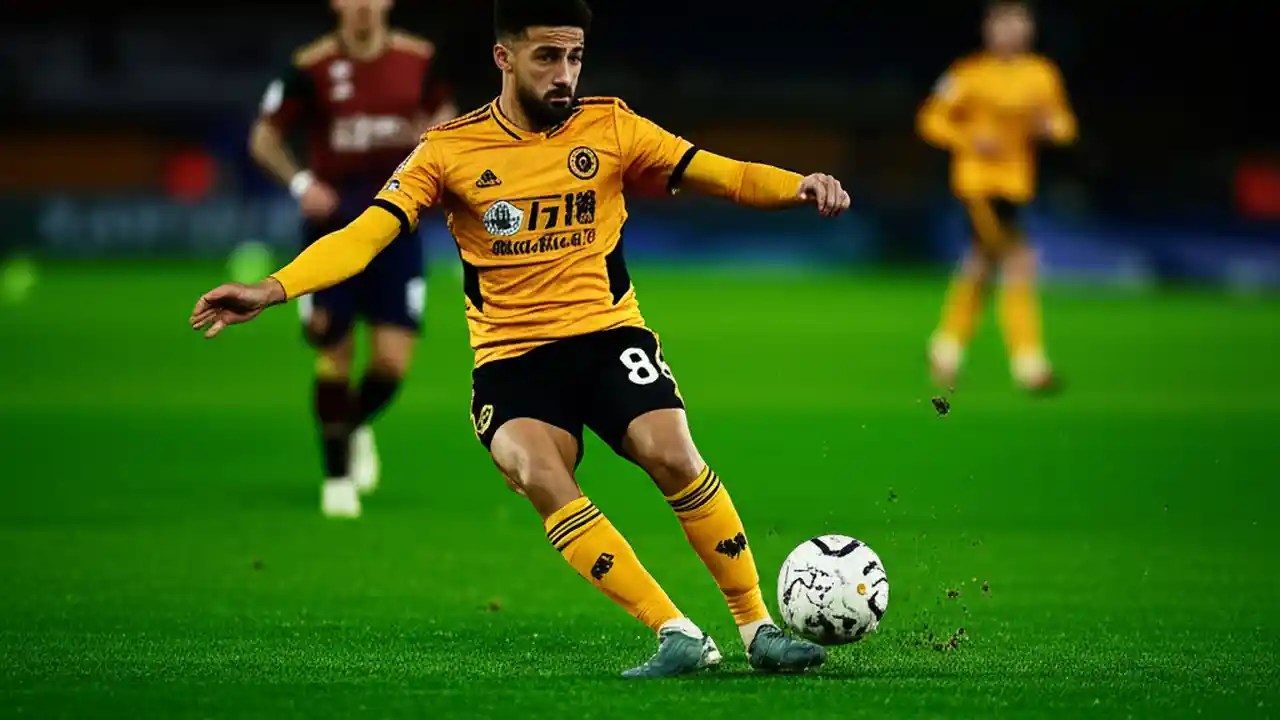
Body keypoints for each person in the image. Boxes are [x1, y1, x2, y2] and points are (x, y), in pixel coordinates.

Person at [193, 0, 850, 678]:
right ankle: (675, 632)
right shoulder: (449, 150)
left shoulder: (612, 125)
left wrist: (798, 185)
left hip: (607, 335)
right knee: (541, 473)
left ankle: (756, 628)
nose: (565, 74)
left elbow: (727, 174)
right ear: (503, 57)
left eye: (574, 57)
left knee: (672, 451)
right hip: (513, 362)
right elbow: (365, 236)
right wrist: (272, 288)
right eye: (547, 57)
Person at [250, 0, 457, 517]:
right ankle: (337, 478)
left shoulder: (419, 59)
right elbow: (264, 136)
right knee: (332, 344)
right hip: (332, 224)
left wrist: (432, 143)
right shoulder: (310, 66)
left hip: (397, 222)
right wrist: (302, 183)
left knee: (391, 362)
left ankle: (354, 424)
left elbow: (447, 117)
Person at [918, 0, 1077, 392]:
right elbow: (930, 119)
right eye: (1003, 22)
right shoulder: (968, 74)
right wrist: (969, 137)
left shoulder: (1043, 74)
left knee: (980, 267)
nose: (1011, 30)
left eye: (1019, 21)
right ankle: (1029, 364)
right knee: (1019, 261)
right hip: (979, 185)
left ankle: (946, 346)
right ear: (988, 28)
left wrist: (1051, 128)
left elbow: (1064, 124)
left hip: (1016, 186)